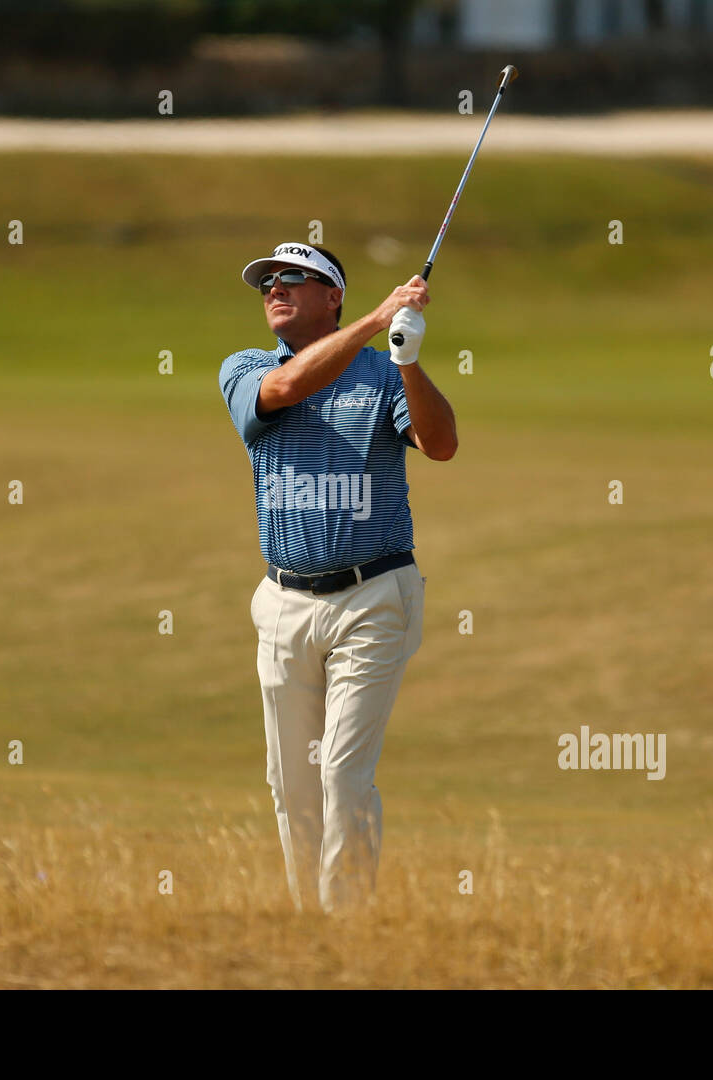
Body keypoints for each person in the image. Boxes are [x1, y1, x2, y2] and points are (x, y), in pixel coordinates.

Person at [218, 240, 458, 913]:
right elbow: (288, 389)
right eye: (267, 280)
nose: (276, 287)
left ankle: (347, 935)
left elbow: (441, 445)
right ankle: (309, 932)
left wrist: (407, 360)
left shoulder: (382, 377)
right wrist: (379, 321)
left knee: (342, 776)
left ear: (333, 297)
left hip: (374, 594)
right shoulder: (246, 368)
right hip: (284, 600)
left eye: (296, 278)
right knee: (292, 781)